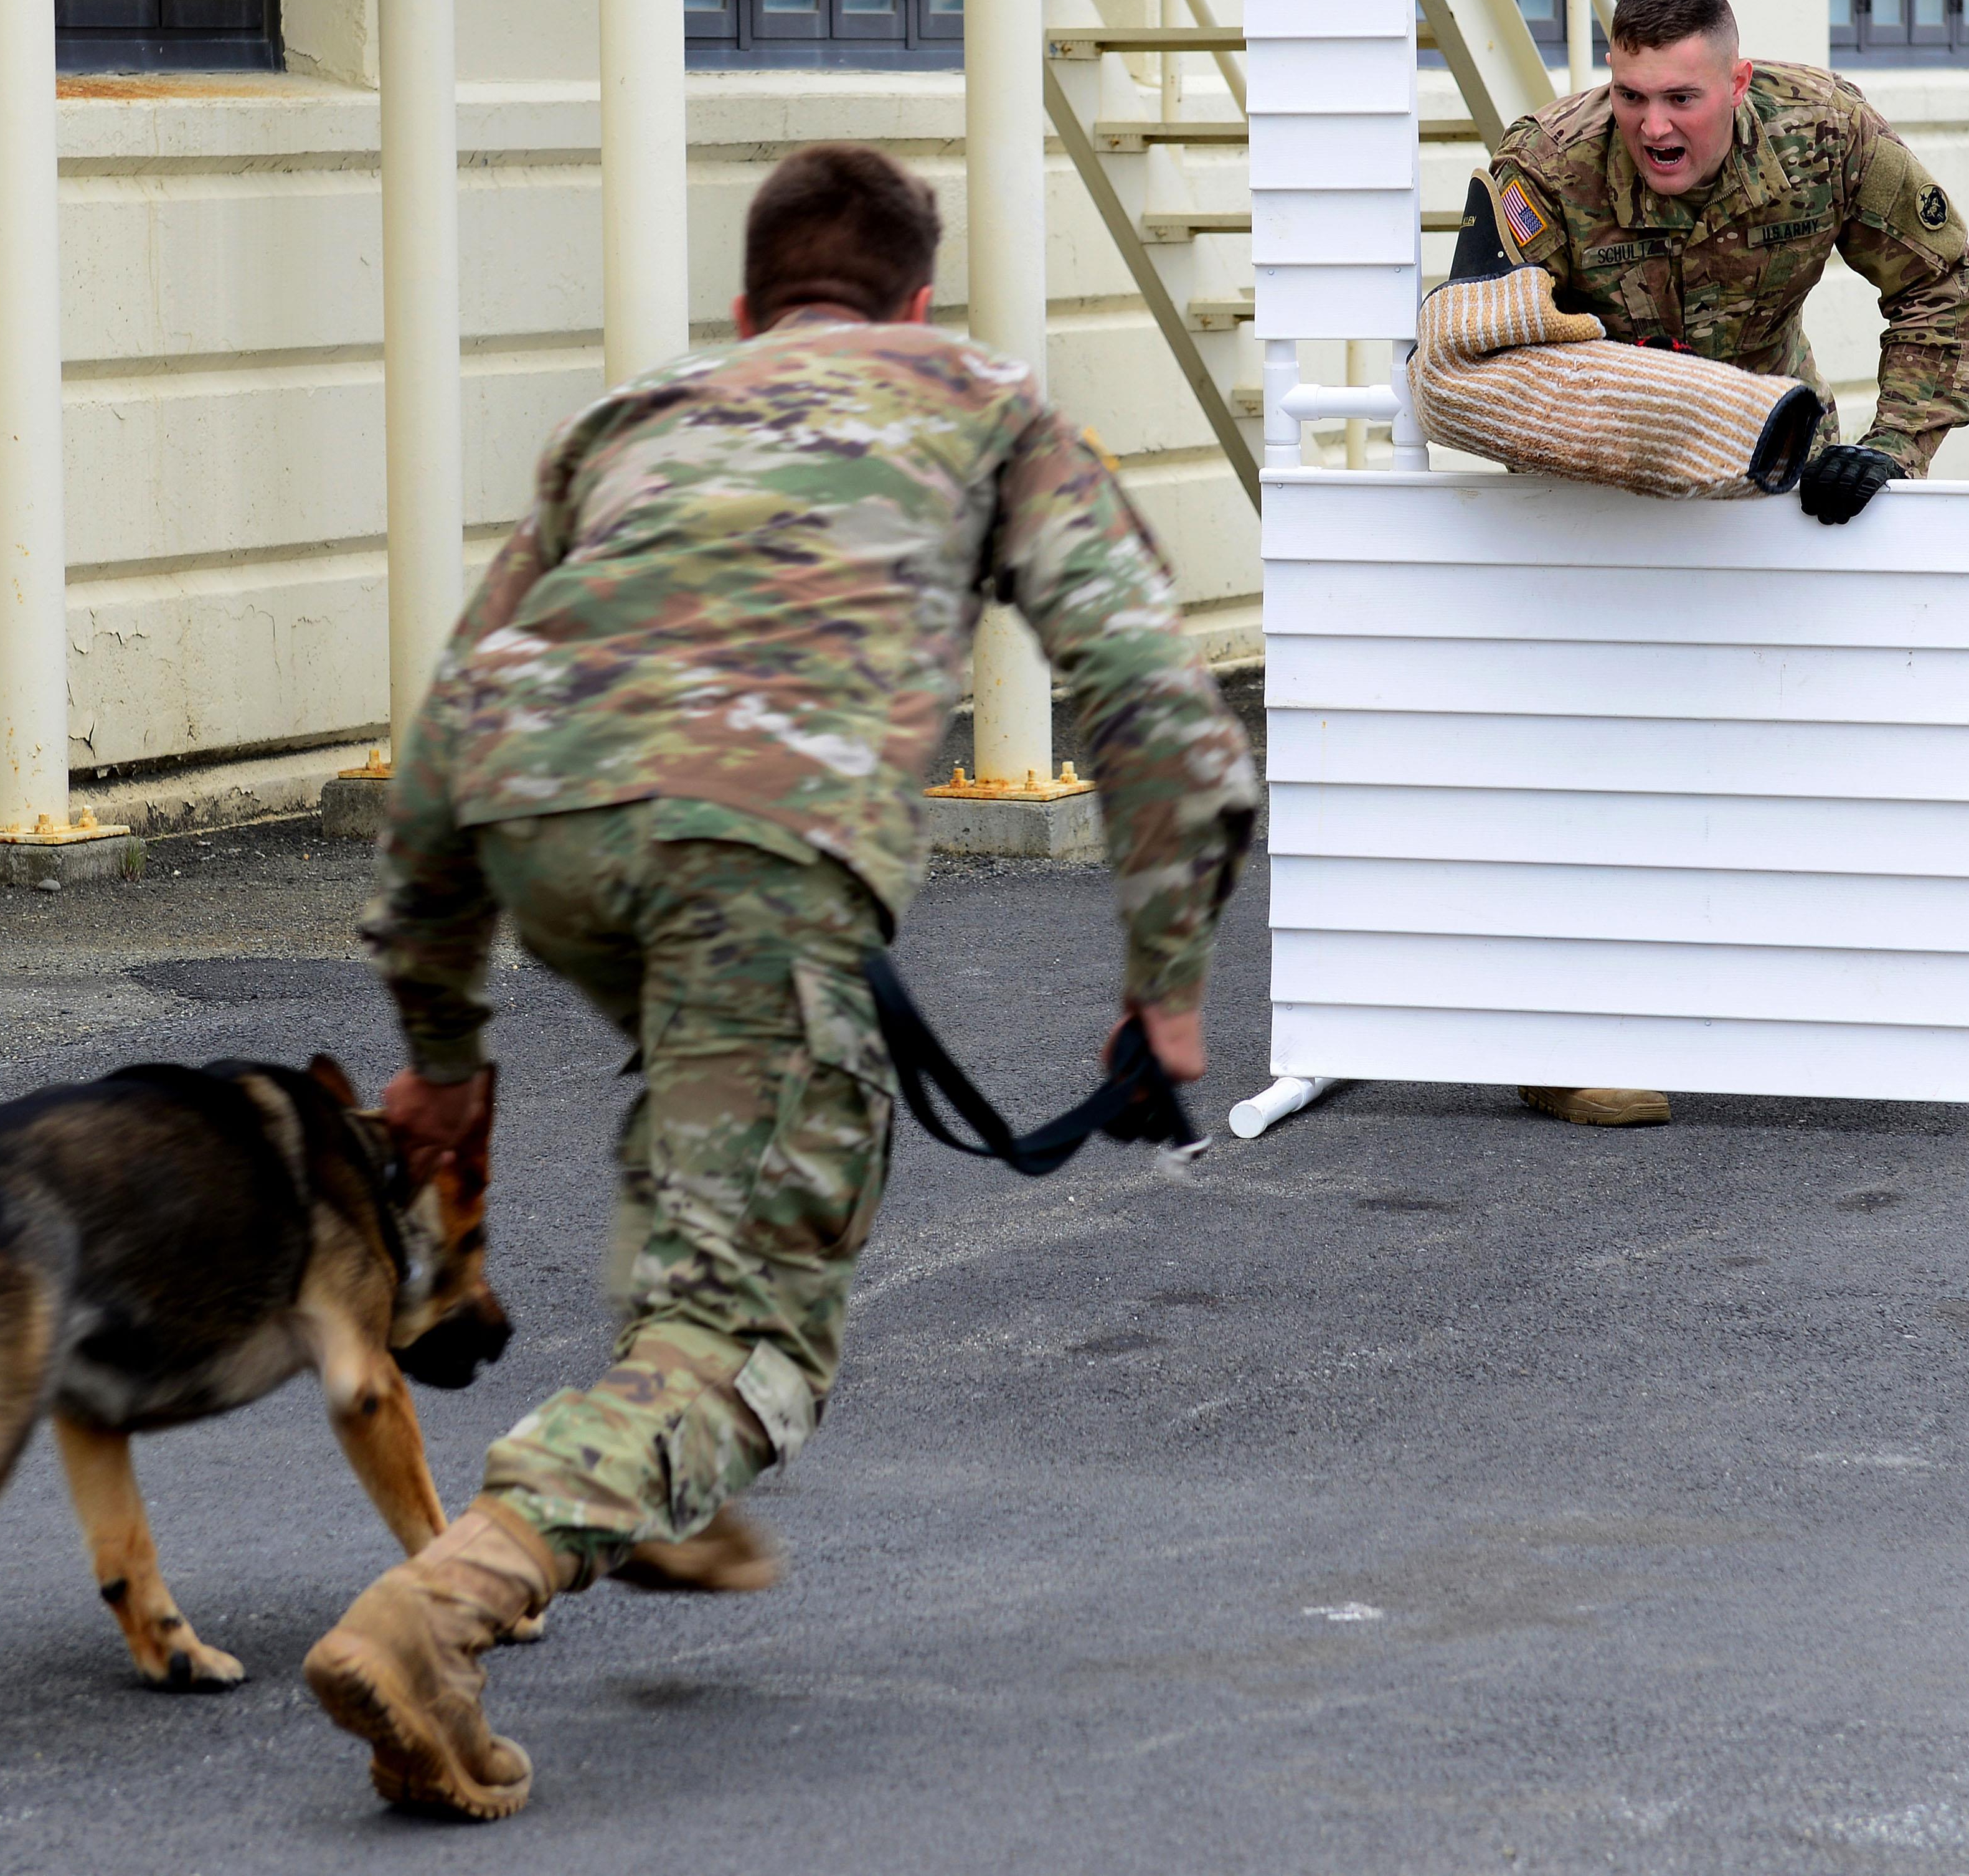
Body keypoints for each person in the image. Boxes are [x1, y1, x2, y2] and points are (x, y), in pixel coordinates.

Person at [304, 143, 1258, 1819]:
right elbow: (1158, 708)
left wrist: (442, 1052)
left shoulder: (632, 419)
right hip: (755, 841)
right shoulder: (981, 399)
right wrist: (1164, 985)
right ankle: (446, 1604)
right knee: (754, 1337)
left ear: (747, 311)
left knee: (715, 1106)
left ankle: (653, 1480)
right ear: (915, 303)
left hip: (542, 817)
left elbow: (447, 727)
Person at [1482, 0, 1969, 1129]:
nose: (1654, 126)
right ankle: (1560, 1041)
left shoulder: (1826, 133)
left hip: (1773, 464)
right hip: (1602, 481)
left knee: (1800, 739)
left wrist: (1896, 447)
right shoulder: (1546, 169)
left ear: (1738, 81)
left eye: (1683, 98)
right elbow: (1484, 331)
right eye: (1632, 96)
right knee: (1587, 763)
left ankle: (1811, 1007)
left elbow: (1940, 284)